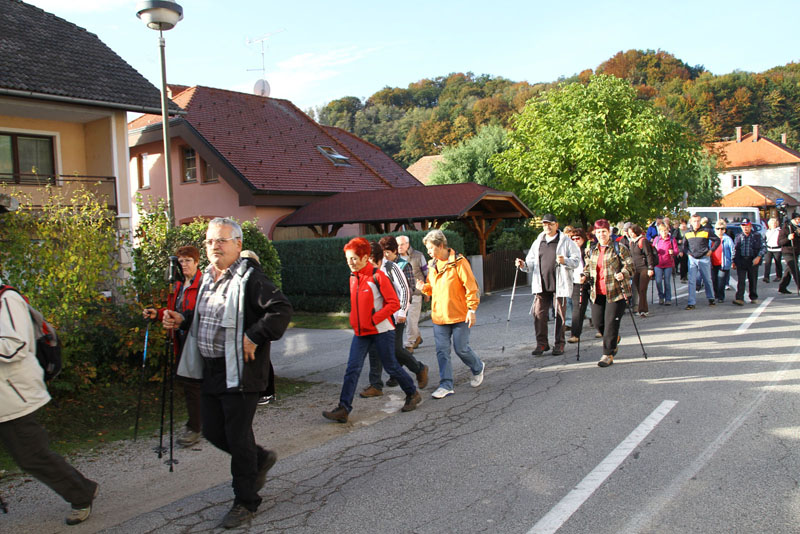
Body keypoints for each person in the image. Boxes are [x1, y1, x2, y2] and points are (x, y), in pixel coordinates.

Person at [165, 218, 292, 529]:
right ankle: (259, 459)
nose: (215, 246)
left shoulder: (251, 279)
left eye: (222, 241)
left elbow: (281, 309)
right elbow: (205, 316)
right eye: (210, 241)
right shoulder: (208, 277)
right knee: (212, 430)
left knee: (237, 436)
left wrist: (254, 335)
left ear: (237, 244)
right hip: (211, 368)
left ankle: (246, 500)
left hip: (242, 371)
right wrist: (182, 319)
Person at [1, 285, 99, 525]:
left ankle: (81, 493)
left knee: (31, 456)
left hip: (13, 397)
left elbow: (15, 345)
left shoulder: (7, 299)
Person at [323, 237, 420, 421]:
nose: (350, 263)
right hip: (361, 333)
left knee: (391, 366)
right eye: (347, 259)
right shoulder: (353, 278)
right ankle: (343, 408)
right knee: (352, 368)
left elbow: (393, 303)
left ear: (366, 257)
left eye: (354, 258)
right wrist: (354, 320)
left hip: (382, 331)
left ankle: (412, 393)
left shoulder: (378, 276)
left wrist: (374, 319)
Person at [143, 245, 203, 447]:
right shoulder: (177, 286)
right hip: (181, 339)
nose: (183, 264)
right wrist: (158, 314)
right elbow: (173, 311)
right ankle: (199, 424)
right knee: (190, 383)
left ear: (197, 262)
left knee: (194, 384)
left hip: (200, 340)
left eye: (187, 260)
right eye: (181, 261)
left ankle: (196, 427)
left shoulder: (204, 284)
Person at [416, 229, 485, 399]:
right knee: (442, 351)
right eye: (427, 249)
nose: (429, 252)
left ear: (440, 246)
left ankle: (477, 367)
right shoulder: (433, 265)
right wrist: (422, 288)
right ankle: (446, 384)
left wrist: (471, 310)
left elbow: (471, 288)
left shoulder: (460, 263)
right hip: (440, 316)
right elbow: (432, 288)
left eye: (430, 248)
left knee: (461, 349)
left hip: (460, 315)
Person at [361, 239, 429, 397]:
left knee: (395, 349)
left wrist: (402, 312)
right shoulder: (368, 270)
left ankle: (419, 368)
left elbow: (405, 290)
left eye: (370, 258)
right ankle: (376, 385)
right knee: (374, 349)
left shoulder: (392, 267)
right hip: (379, 316)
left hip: (395, 314)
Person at [515, 213, 581, 356]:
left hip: (560, 283)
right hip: (541, 283)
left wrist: (565, 261)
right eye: (545, 224)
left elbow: (576, 261)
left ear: (556, 225)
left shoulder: (566, 241)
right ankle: (542, 344)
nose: (547, 226)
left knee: (560, 316)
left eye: (550, 224)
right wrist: (523, 265)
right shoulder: (538, 241)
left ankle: (559, 344)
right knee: (539, 314)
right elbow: (531, 262)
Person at [581, 219, 634, 367]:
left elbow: (630, 266)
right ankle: (613, 339)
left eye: (604, 231)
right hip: (597, 292)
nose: (601, 234)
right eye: (598, 232)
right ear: (595, 233)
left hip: (615, 292)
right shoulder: (591, 249)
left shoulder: (619, 248)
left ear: (609, 232)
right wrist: (584, 276)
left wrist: (623, 273)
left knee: (610, 324)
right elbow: (587, 268)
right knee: (598, 323)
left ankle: (607, 354)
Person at [396, 235, 428, 353]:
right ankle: (417, 337)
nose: (399, 247)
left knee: (410, 319)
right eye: (398, 244)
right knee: (409, 319)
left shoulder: (418, 256)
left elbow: (427, 274)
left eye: (402, 244)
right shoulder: (395, 258)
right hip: (401, 295)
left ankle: (409, 344)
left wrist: (427, 292)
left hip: (415, 293)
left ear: (408, 244)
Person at [682, 213, 720, 310]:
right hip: (692, 259)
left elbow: (717, 240)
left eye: (698, 221)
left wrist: (711, 251)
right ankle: (691, 302)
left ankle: (711, 298)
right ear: (691, 222)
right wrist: (688, 253)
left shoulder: (706, 231)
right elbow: (684, 246)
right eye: (694, 221)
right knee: (691, 281)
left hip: (704, 258)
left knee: (707, 279)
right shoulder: (687, 233)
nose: (696, 223)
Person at [731, 218, 765, 305]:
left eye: (747, 226)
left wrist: (758, 257)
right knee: (741, 280)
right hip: (741, 260)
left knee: (752, 279)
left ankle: (753, 297)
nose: (745, 228)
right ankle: (739, 298)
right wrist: (733, 261)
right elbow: (735, 249)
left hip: (752, 260)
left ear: (750, 226)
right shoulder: (738, 236)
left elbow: (763, 247)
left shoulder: (757, 235)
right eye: (743, 226)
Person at [626, 224, 656, 317]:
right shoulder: (631, 242)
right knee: (639, 290)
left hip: (644, 268)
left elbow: (649, 255)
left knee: (642, 289)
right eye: (629, 232)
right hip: (635, 269)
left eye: (632, 232)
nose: (630, 234)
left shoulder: (643, 241)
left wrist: (650, 268)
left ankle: (642, 310)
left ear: (636, 232)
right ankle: (644, 308)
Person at [567, 228, 590, 344]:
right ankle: (575, 334)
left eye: (578, 238)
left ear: (583, 238)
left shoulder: (588, 249)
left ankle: (602, 328)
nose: (576, 240)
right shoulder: (570, 252)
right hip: (577, 282)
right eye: (573, 238)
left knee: (597, 307)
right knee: (577, 309)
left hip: (591, 281)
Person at [653, 223, 679, 305]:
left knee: (667, 282)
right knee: (658, 281)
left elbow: (676, 251)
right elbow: (652, 250)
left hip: (668, 263)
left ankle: (668, 298)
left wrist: (673, 252)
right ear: (659, 231)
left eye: (665, 230)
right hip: (658, 263)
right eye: (662, 231)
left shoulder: (672, 239)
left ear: (668, 231)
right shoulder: (657, 239)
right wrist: (655, 250)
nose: (664, 232)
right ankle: (661, 296)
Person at [777, 212, 800, 295]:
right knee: (795, 270)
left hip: (796, 252)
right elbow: (779, 242)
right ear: (792, 220)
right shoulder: (786, 229)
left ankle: (782, 287)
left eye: (799, 219)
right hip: (788, 252)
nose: (798, 221)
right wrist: (788, 238)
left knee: (788, 270)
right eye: (796, 219)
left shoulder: (798, 228)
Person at [711, 221, 734, 303]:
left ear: (724, 230)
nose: (720, 230)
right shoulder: (711, 239)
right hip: (713, 263)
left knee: (721, 281)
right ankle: (716, 295)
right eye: (718, 229)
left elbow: (732, 251)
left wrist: (732, 261)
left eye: (722, 229)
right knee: (714, 281)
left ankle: (721, 297)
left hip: (723, 263)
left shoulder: (727, 239)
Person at [763, 217, 783, 283]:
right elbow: (765, 239)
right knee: (767, 263)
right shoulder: (767, 231)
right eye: (772, 223)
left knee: (778, 263)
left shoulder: (779, 231)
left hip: (777, 249)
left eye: (774, 223)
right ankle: (766, 277)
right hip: (769, 248)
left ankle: (779, 276)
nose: (773, 224)